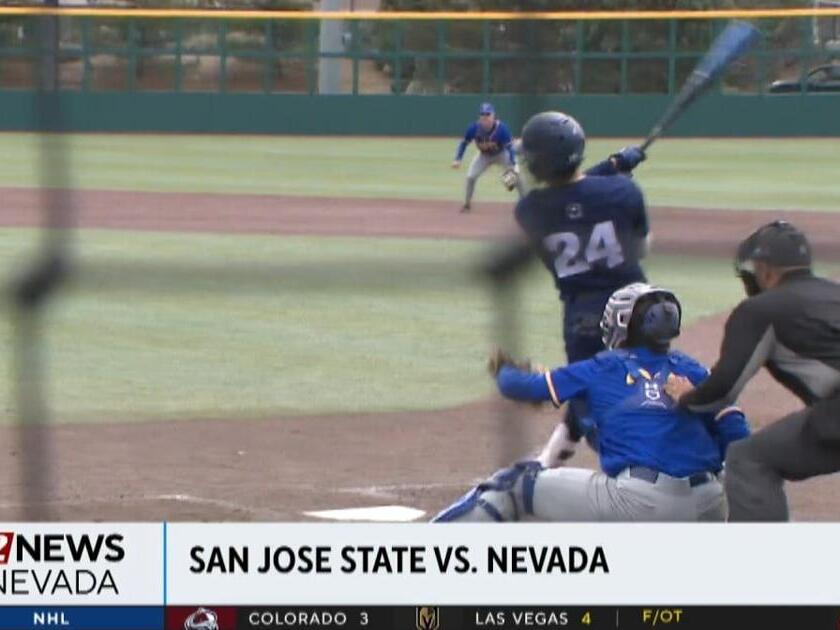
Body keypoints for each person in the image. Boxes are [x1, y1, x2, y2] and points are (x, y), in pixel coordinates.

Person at [432, 283, 749, 522]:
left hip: (639, 504)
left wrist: (503, 370)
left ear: (623, 324)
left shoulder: (603, 366)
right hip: (710, 506)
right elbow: (737, 434)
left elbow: (522, 388)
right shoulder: (694, 371)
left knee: (510, 486)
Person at [665, 220, 840, 521]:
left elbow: (722, 391)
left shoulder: (760, 310)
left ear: (765, 269)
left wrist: (686, 397)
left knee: (749, 458)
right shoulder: (833, 293)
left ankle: (758, 560)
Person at [513, 111, 648, 465]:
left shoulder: (529, 211)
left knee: (592, 406)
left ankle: (641, 474)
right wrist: (617, 167)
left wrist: (613, 164)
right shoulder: (624, 191)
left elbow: (567, 197)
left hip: (584, 317)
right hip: (639, 309)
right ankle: (547, 464)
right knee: (646, 388)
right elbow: (639, 244)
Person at [451, 102, 525, 212]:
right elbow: (464, 143)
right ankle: (467, 205)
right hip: (483, 156)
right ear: (479, 116)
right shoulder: (473, 128)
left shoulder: (502, 129)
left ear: (493, 116)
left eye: (488, 114)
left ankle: (524, 202)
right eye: (482, 114)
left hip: (501, 154)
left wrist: (514, 164)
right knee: (470, 177)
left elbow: (510, 149)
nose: (485, 117)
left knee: (514, 176)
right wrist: (458, 159)